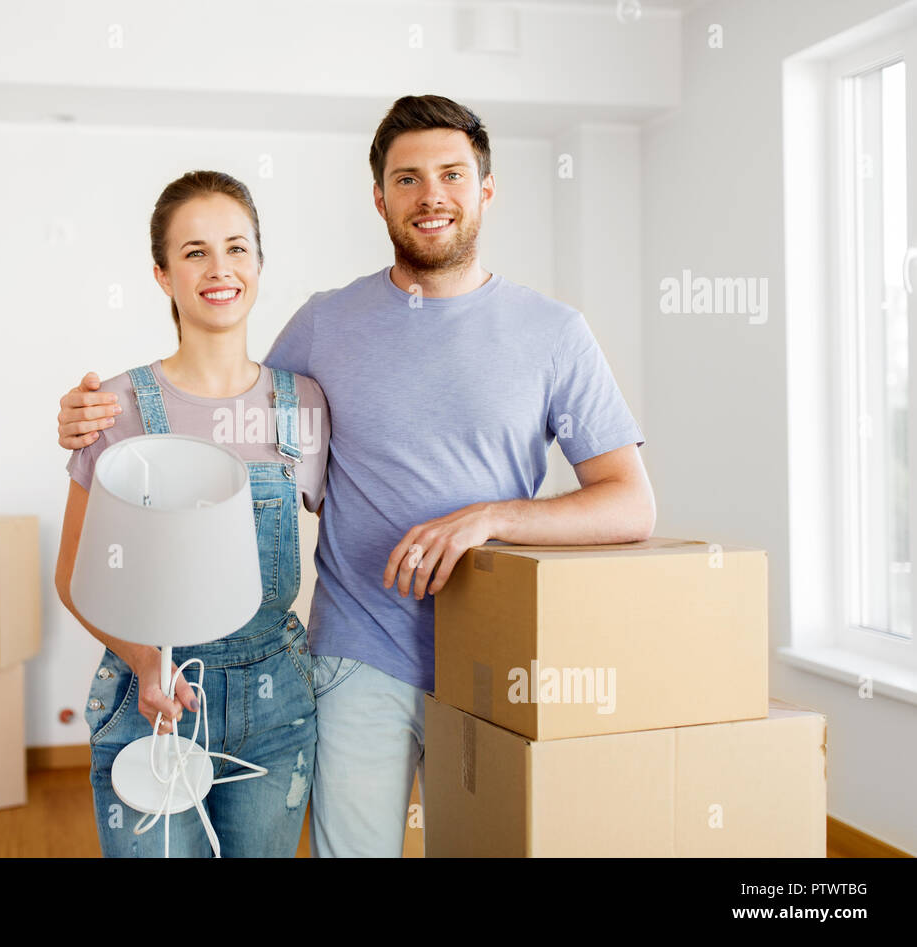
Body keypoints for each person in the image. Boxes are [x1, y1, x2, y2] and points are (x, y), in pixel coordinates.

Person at [57, 95, 655, 857]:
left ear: (486, 188)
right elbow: (221, 390)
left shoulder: (555, 334)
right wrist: (88, 421)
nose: (430, 195)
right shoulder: (325, 324)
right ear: (379, 198)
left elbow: (630, 503)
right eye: (407, 179)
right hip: (354, 656)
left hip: (495, 659)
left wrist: (491, 517)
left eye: (451, 174)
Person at [54, 170, 331, 857]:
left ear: (260, 264)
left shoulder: (305, 405)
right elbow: (73, 575)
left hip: (277, 706)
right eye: (195, 251)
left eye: (238, 248)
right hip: (152, 705)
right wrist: (147, 662)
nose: (220, 268)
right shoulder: (115, 408)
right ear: (162, 274)